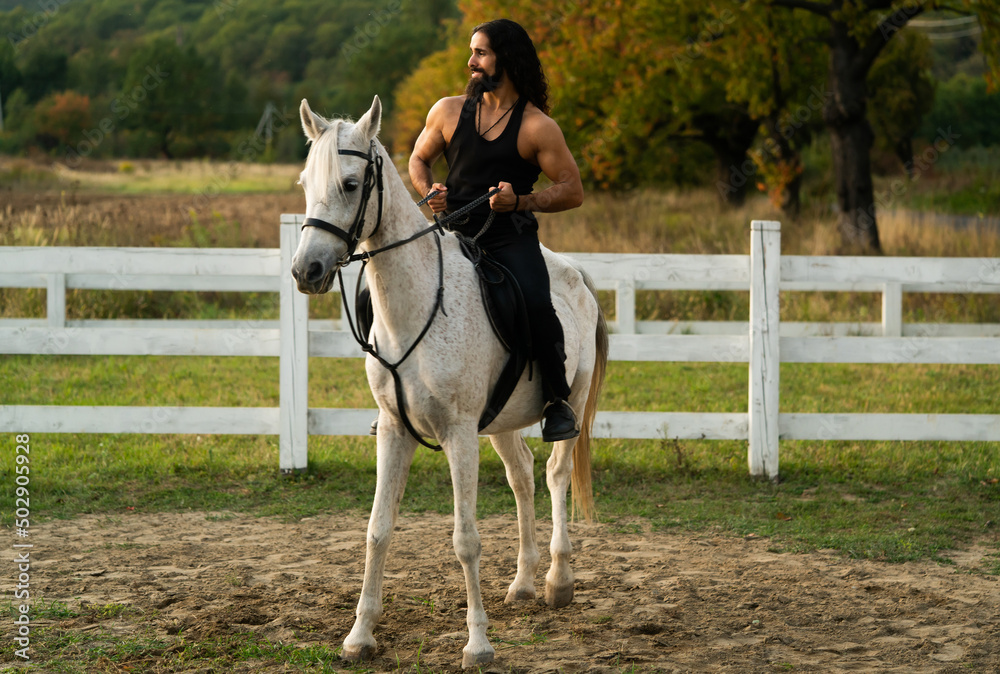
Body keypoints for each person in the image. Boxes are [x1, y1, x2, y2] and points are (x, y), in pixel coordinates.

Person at [408, 18, 585, 442]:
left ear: (507, 59)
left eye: (481, 53)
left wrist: (521, 201)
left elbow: (572, 190)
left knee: (538, 304)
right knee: (387, 286)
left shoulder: (537, 126)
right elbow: (419, 160)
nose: (471, 61)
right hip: (451, 235)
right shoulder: (447, 110)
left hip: (509, 238)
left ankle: (555, 402)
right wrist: (430, 188)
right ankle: (397, 397)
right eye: (472, 52)